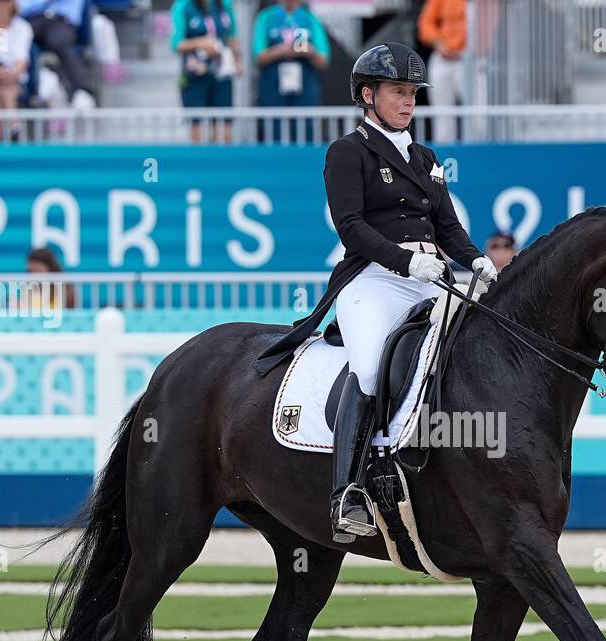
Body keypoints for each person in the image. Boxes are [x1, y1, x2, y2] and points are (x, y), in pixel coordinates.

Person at [253, 43, 495, 540]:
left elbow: (447, 226)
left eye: (412, 93)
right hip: (374, 280)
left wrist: (476, 259)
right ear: (369, 95)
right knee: (367, 368)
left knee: (465, 357)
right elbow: (351, 227)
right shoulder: (348, 152)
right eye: (398, 92)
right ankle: (348, 491)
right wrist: (407, 260)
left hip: (430, 279)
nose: (408, 102)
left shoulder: (426, 157)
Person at [251, 0, 329, 141]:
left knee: (305, 129)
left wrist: (309, 51)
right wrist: (281, 50)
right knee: (272, 129)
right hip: (273, 85)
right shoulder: (266, 17)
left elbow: (323, 60)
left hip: (304, 83)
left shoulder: (310, 18)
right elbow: (258, 56)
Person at [170, 0, 242, 144]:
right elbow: (176, 44)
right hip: (195, 77)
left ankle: (222, 164)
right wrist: (200, 42)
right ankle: (199, 164)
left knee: (223, 130)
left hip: (222, 75)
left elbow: (233, 36)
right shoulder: (183, 6)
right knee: (198, 129)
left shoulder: (225, 5)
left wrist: (237, 60)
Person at [17, 0, 97, 109]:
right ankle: (23, 88)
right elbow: (19, 8)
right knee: (17, 38)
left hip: (61, 21)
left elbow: (74, 13)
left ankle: (83, 91)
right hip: (33, 20)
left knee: (60, 42)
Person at [417, 0, 465, 143]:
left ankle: (479, 152)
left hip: (474, 59)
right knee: (443, 115)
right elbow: (425, 23)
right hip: (444, 57)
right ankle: (444, 155)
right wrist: (440, 44)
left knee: (478, 115)